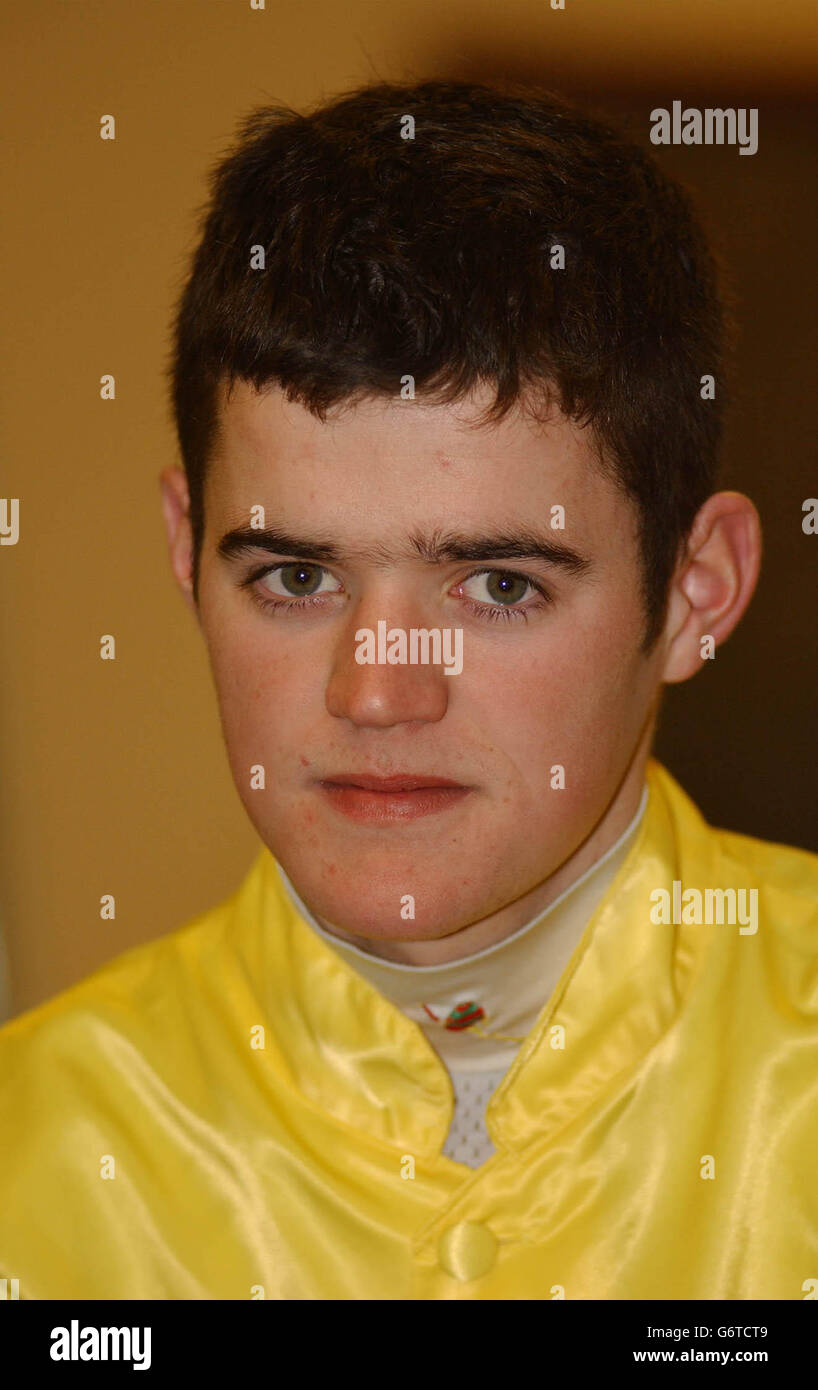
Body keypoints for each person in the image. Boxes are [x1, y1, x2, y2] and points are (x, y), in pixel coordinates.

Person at [1, 79, 815, 1301]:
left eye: (494, 586)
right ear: (185, 548)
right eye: (293, 574)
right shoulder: (31, 1157)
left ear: (694, 592)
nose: (377, 694)